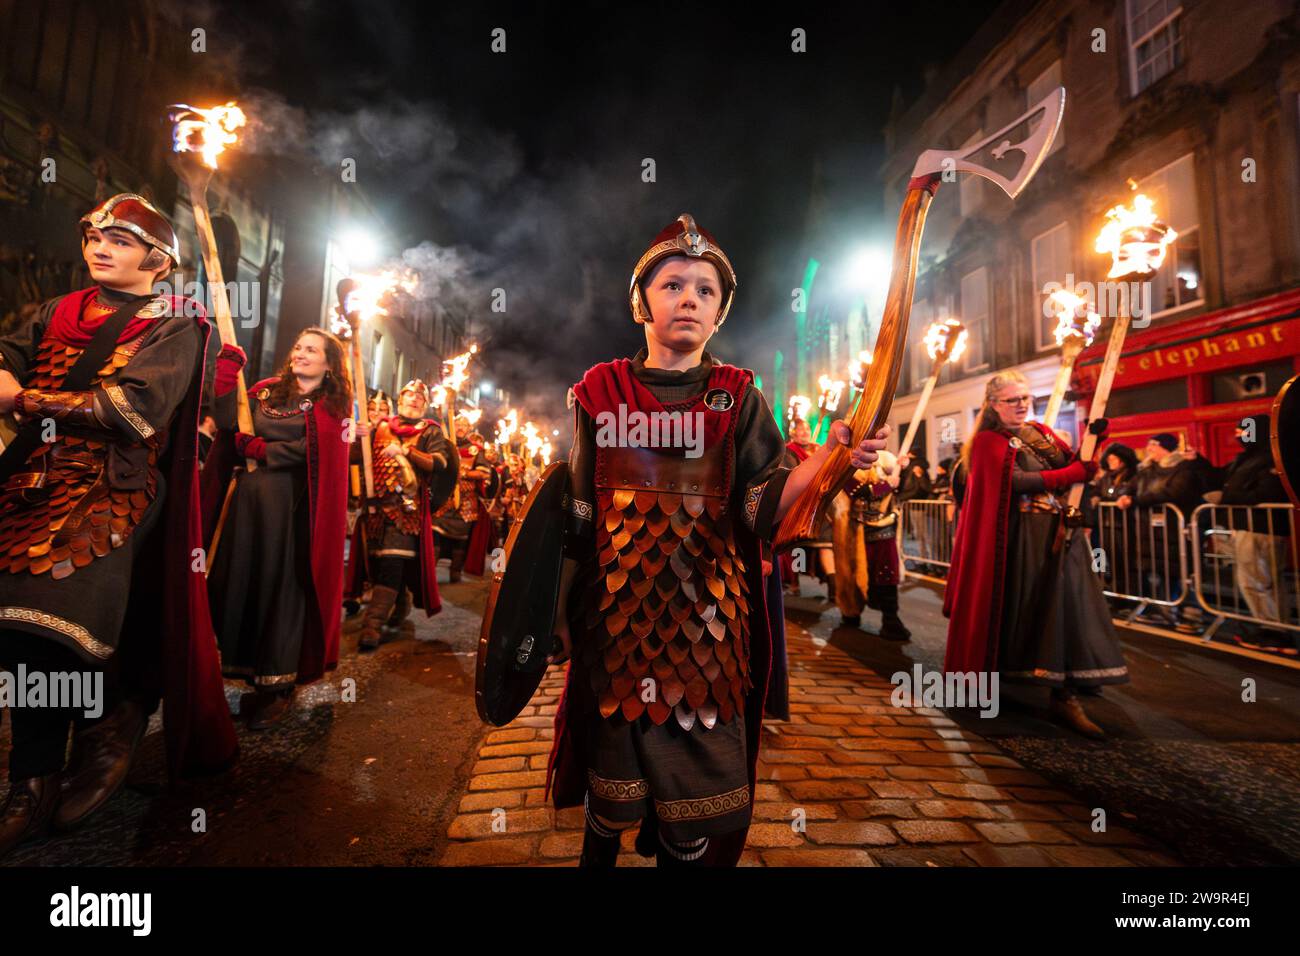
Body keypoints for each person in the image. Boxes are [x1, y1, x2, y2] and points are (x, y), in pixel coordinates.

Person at [544, 214, 888, 867]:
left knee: (692, 817)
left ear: (719, 311)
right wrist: (556, 611)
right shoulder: (600, 392)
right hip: (614, 630)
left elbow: (762, 504)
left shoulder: (740, 398)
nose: (690, 298)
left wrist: (833, 459)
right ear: (641, 301)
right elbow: (579, 511)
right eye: (673, 284)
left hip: (708, 632)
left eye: (706, 290)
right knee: (607, 802)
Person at [0, 194, 237, 855]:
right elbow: (12, 351)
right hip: (28, 484)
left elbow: (134, 409)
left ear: (158, 262)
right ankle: (38, 773)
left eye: (121, 241)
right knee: (18, 633)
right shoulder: (55, 311)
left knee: (56, 623)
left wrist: (23, 398)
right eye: (95, 235)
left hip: (112, 489)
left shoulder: (179, 321)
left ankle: (107, 724)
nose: (100, 247)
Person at [943, 370, 1128, 739]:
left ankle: (1068, 689)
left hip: (1059, 533)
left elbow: (1072, 462)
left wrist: (1096, 438)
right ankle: (1019, 684)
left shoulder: (1040, 434)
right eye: (1013, 399)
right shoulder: (987, 442)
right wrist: (1071, 474)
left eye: (1026, 398)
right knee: (1026, 611)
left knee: (1068, 609)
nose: (1022, 405)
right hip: (1018, 540)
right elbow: (1014, 484)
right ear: (994, 404)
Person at [204, 327, 350, 730]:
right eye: (298, 346)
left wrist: (264, 450)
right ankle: (247, 671)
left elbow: (319, 452)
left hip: (293, 512)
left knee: (280, 586)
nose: (300, 354)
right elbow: (226, 421)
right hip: (248, 505)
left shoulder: (333, 404)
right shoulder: (265, 392)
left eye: (312, 350)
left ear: (328, 363)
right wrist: (225, 372)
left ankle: (277, 686)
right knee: (238, 582)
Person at [357, 379, 456, 649]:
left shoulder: (429, 430)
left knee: (392, 562)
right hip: (375, 508)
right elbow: (358, 456)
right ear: (400, 400)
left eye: (419, 396)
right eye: (408, 394)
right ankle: (399, 608)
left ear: (424, 404)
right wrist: (356, 435)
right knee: (379, 565)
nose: (413, 398)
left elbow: (439, 462)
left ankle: (372, 626)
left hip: (407, 510)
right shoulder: (381, 427)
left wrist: (405, 451)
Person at [1208, 415, 1294, 649]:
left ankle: (1274, 630)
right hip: (1250, 525)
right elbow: (1218, 477)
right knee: (1263, 580)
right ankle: (1274, 627)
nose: (1238, 436)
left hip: (1259, 527)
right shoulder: (1248, 458)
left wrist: (1226, 499)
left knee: (1256, 581)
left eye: (1243, 431)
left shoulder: (1269, 458)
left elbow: (1268, 494)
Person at [1116, 433, 1199, 612]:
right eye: (1149, 444)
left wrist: (1136, 501)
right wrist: (1124, 495)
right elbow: (1129, 487)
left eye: (1154, 445)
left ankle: (1179, 611)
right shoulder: (1145, 470)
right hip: (1147, 530)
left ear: (1166, 449)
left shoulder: (1182, 468)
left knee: (1173, 572)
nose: (1149, 449)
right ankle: (1157, 609)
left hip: (1171, 530)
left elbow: (1175, 492)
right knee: (1150, 569)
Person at [832, 450, 910, 639]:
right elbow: (857, 491)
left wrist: (902, 471)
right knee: (853, 573)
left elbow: (900, 489)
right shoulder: (845, 461)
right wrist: (886, 486)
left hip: (884, 525)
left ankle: (890, 618)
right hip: (855, 528)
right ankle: (851, 612)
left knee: (887, 572)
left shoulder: (885, 459)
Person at [430, 416, 492, 582]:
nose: (460, 427)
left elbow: (484, 472)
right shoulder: (444, 444)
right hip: (443, 498)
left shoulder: (475, 449)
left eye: (464, 425)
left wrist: (463, 473)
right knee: (434, 534)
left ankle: (455, 573)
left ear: (469, 428)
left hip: (465, 502)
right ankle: (429, 573)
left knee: (460, 540)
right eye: (458, 424)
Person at [780, 418, 835, 599]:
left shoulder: (817, 449)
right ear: (793, 433)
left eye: (807, 429)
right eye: (800, 430)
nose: (804, 432)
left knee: (825, 545)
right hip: (800, 505)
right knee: (797, 546)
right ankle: (795, 583)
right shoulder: (788, 452)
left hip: (821, 504)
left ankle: (833, 585)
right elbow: (791, 475)